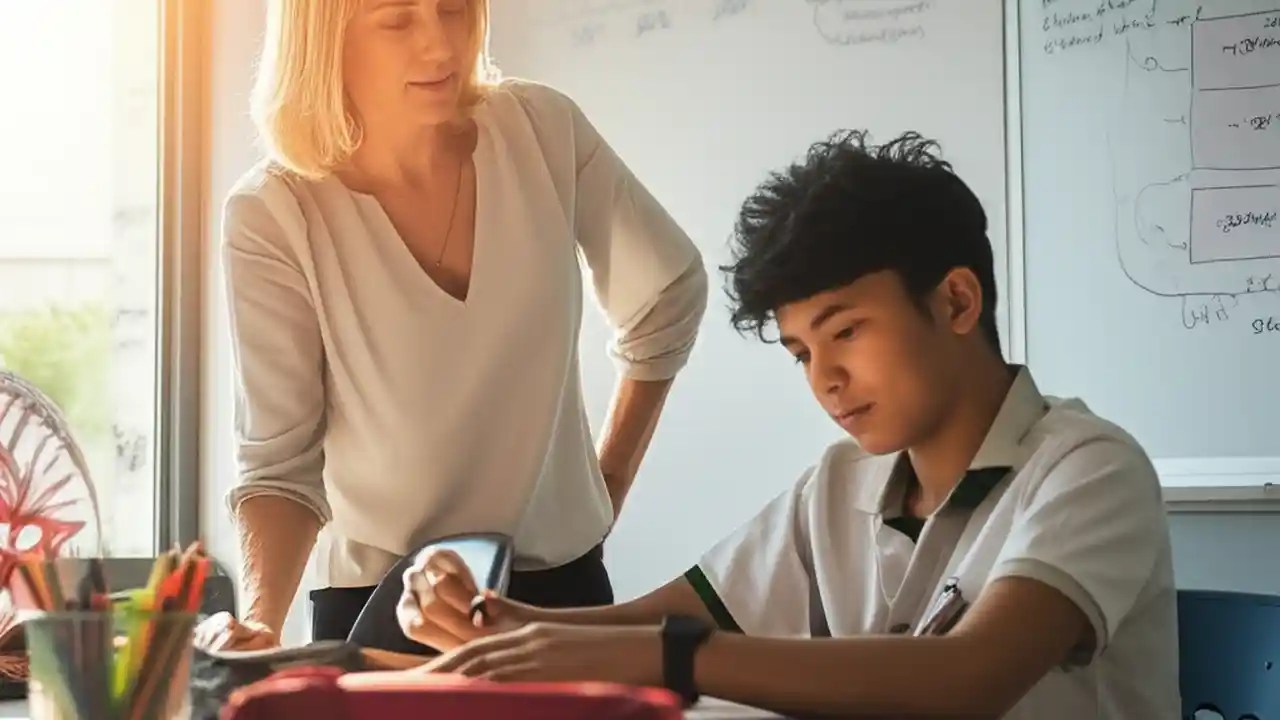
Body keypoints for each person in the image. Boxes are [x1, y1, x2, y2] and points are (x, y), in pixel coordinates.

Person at [395, 130, 1180, 718]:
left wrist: (672, 658)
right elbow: (657, 620)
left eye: (847, 332)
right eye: (802, 351)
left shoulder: (1090, 470)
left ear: (956, 301)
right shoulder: (842, 484)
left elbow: (967, 680)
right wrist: (496, 620)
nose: (825, 378)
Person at [201, 0, 707, 652]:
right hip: (378, 615)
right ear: (325, 38)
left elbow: (668, 292)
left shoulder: (543, 131)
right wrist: (263, 624)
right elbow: (279, 466)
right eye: (397, 20)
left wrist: (603, 494)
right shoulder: (274, 214)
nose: (440, 45)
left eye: (454, 9)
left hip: (559, 599)